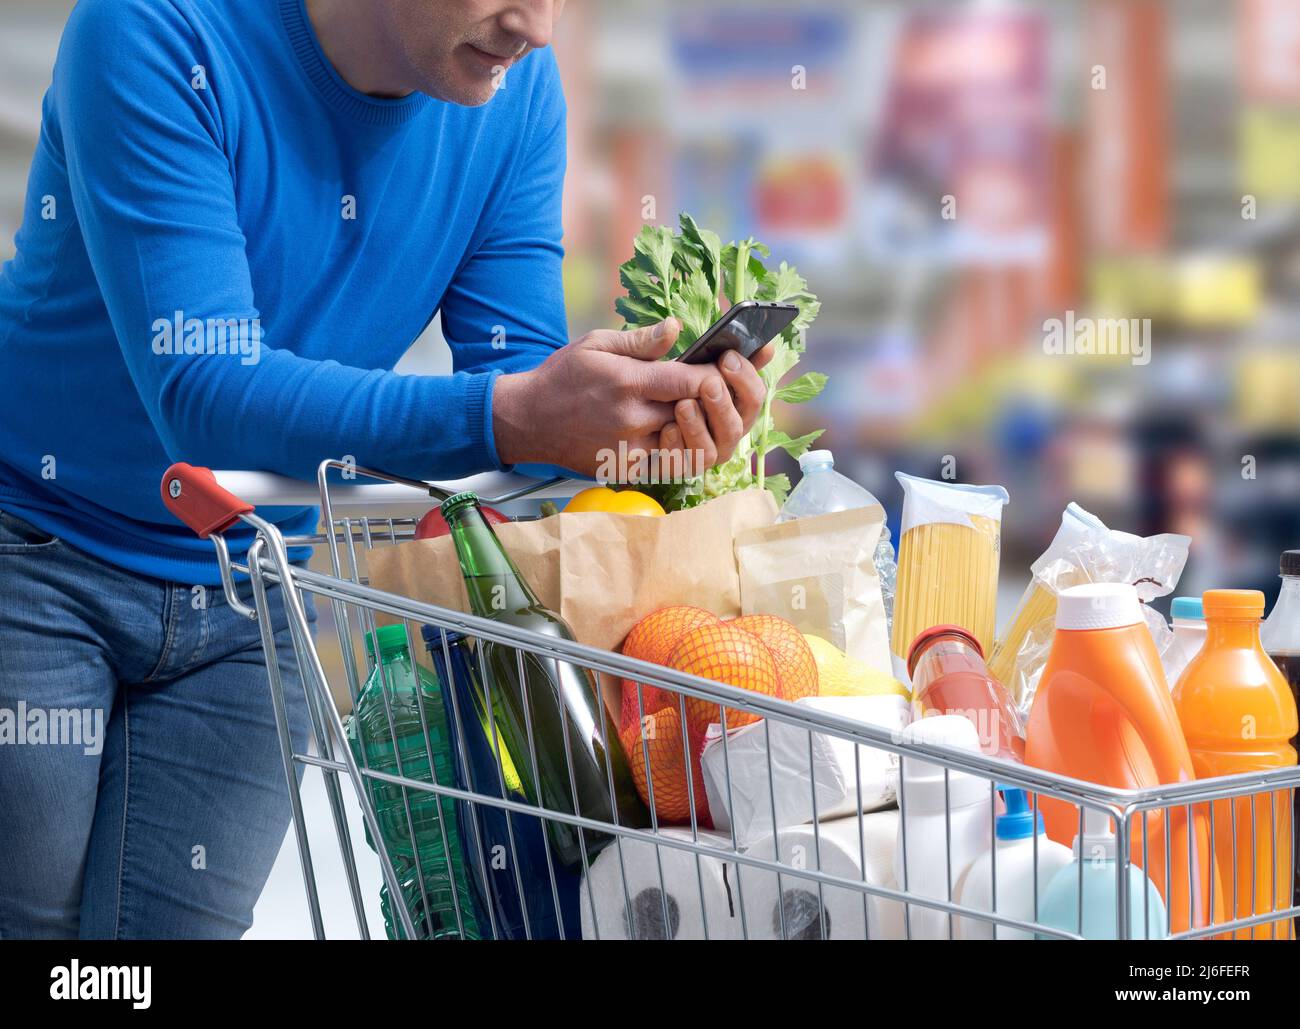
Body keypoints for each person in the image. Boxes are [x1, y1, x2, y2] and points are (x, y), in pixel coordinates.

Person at [0, 0, 768, 939]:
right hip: (36, 551)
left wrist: (636, 419)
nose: (538, 26)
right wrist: (516, 413)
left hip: (253, 589)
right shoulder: (153, 30)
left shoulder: (514, 94)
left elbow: (517, 387)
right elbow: (202, 389)